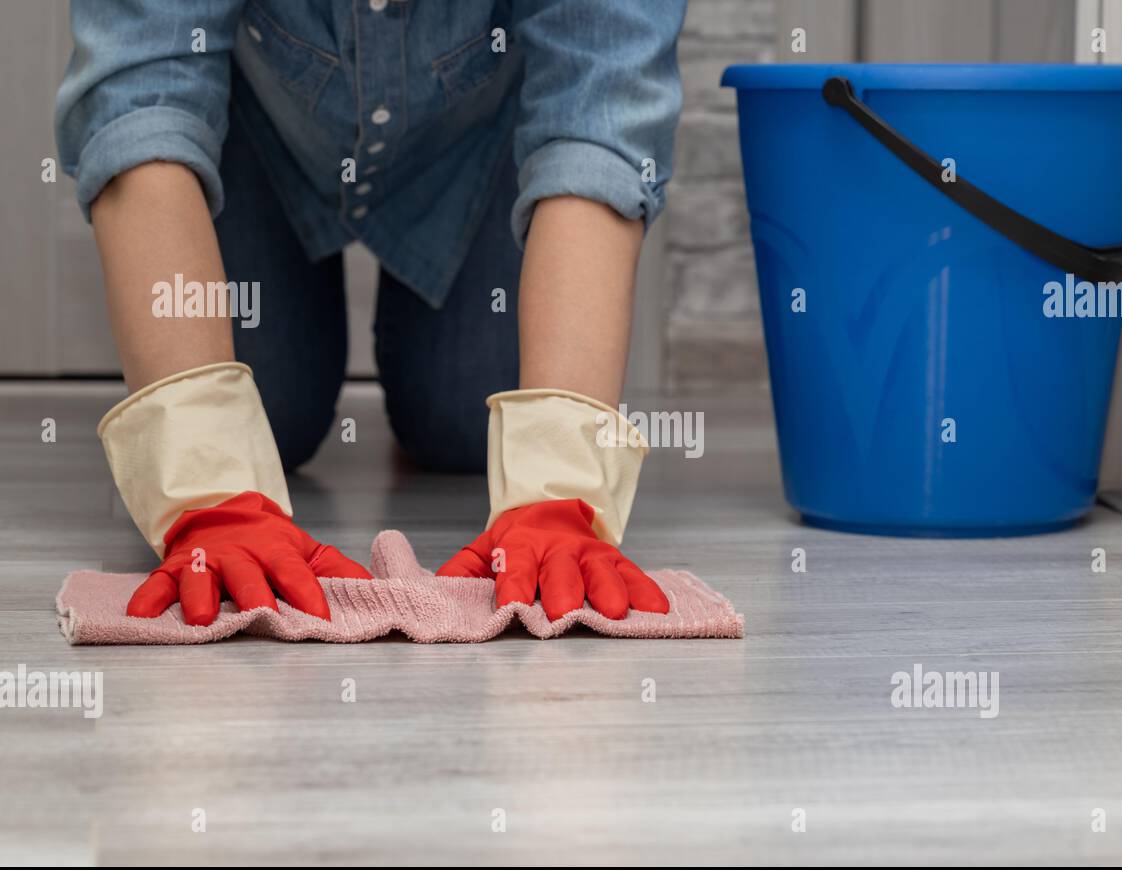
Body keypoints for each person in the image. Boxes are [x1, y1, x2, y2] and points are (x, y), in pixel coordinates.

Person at [54, 0, 685, 626]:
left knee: (462, 425)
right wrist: (205, 492)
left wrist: (561, 488)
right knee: (273, 423)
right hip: (257, 127)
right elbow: (140, 98)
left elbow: (599, 105)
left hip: (483, 136)